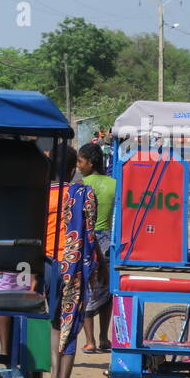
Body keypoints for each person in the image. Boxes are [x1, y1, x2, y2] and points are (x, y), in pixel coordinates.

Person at [43, 142, 97, 378]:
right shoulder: (83, 193)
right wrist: (98, 265)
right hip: (74, 264)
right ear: (74, 167)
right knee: (71, 323)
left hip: (47, 263)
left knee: (55, 323)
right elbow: (90, 233)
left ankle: (53, 376)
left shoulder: (43, 194)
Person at [77, 141, 115, 352]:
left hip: (87, 239)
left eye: (80, 161)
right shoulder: (114, 183)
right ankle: (103, 338)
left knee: (87, 289)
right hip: (109, 240)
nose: (78, 166)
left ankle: (89, 340)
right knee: (105, 289)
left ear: (90, 163)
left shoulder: (82, 185)